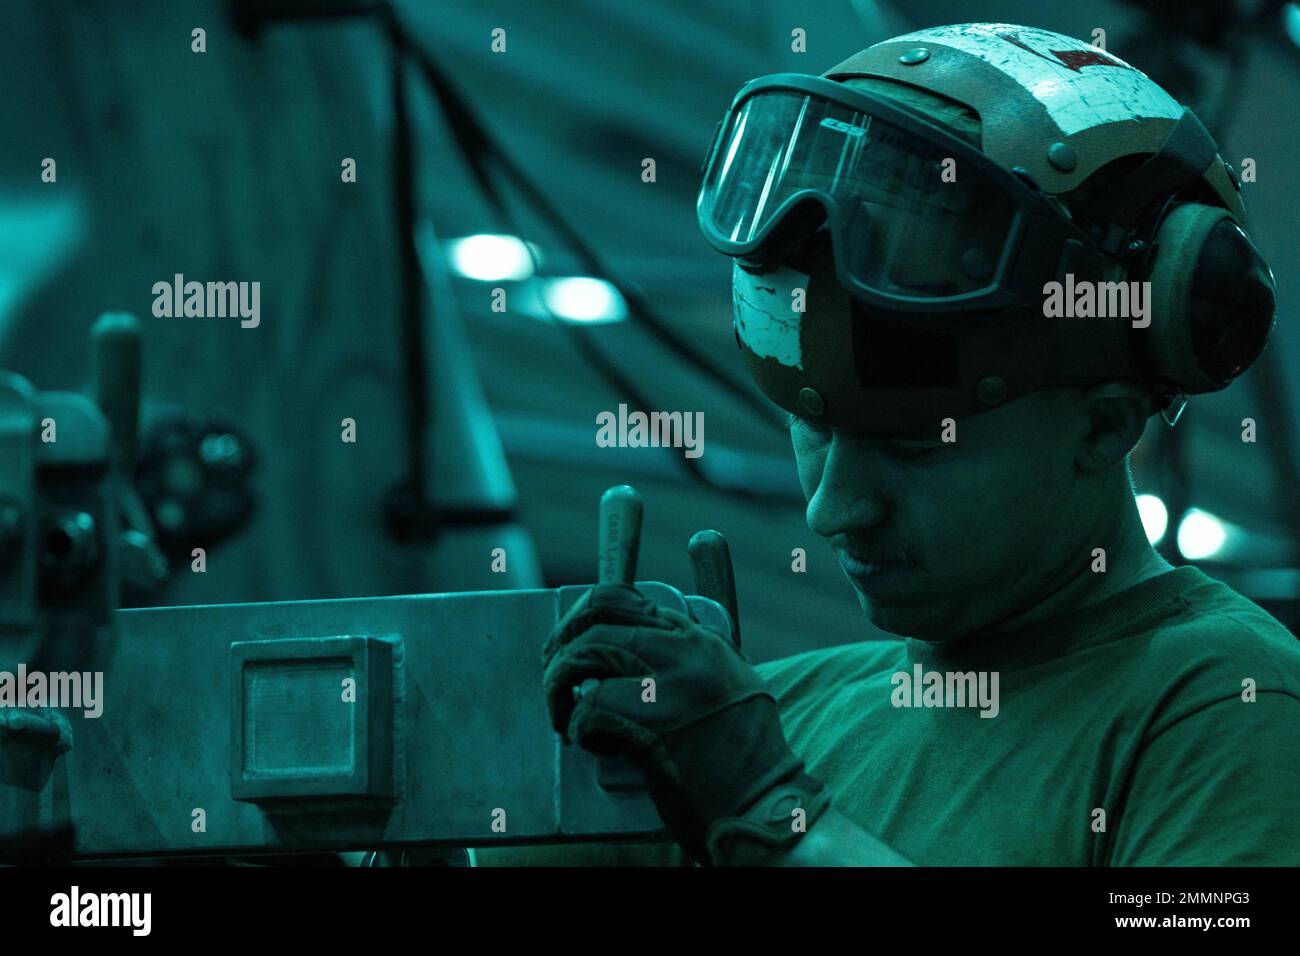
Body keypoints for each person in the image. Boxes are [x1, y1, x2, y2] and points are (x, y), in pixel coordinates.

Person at [473, 22, 1298, 866]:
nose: (834, 509)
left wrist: (770, 813)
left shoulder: (1227, 703)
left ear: (1103, 425)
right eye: (813, 426)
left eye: (912, 446)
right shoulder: (777, 718)